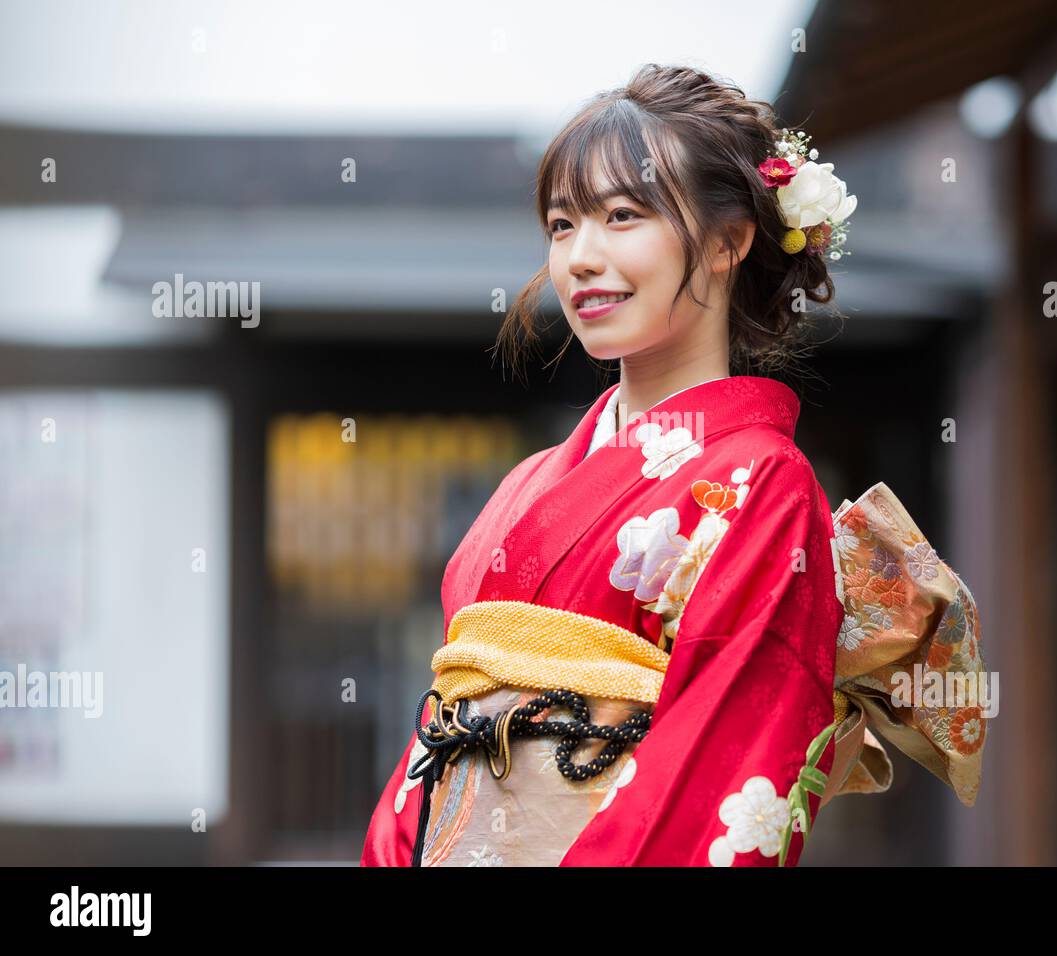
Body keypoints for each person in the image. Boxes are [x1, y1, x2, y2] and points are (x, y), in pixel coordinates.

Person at [361, 63, 987, 867]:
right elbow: (444, 730)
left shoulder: (764, 485)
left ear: (729, 241)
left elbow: (721, 765)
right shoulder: (528, 483)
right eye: (561, 225)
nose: (581, 256)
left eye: (622, 215)